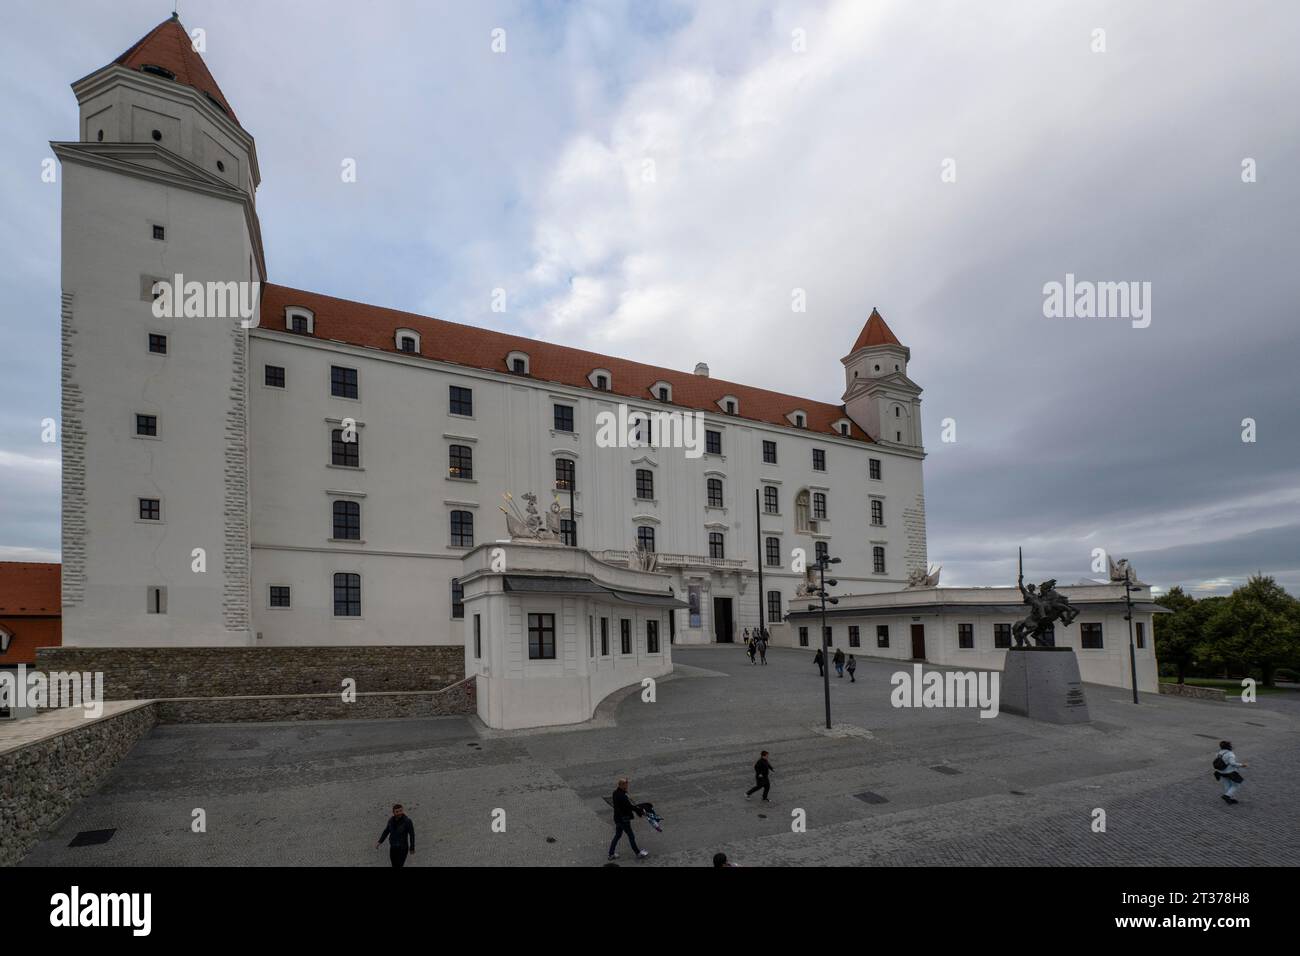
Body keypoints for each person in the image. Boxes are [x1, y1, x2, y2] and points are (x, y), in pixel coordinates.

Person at [609, 778, 649, 860]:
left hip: (617, 818)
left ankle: (611, 854)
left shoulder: (615, 793)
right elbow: (630, 807)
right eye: (625, 784)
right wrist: (640, 810)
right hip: (624, 819)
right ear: (621, 785)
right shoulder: (622, 796)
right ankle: (638, 853)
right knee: (631, 836)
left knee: (618, 835)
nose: (627, 786)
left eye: (627, 784)